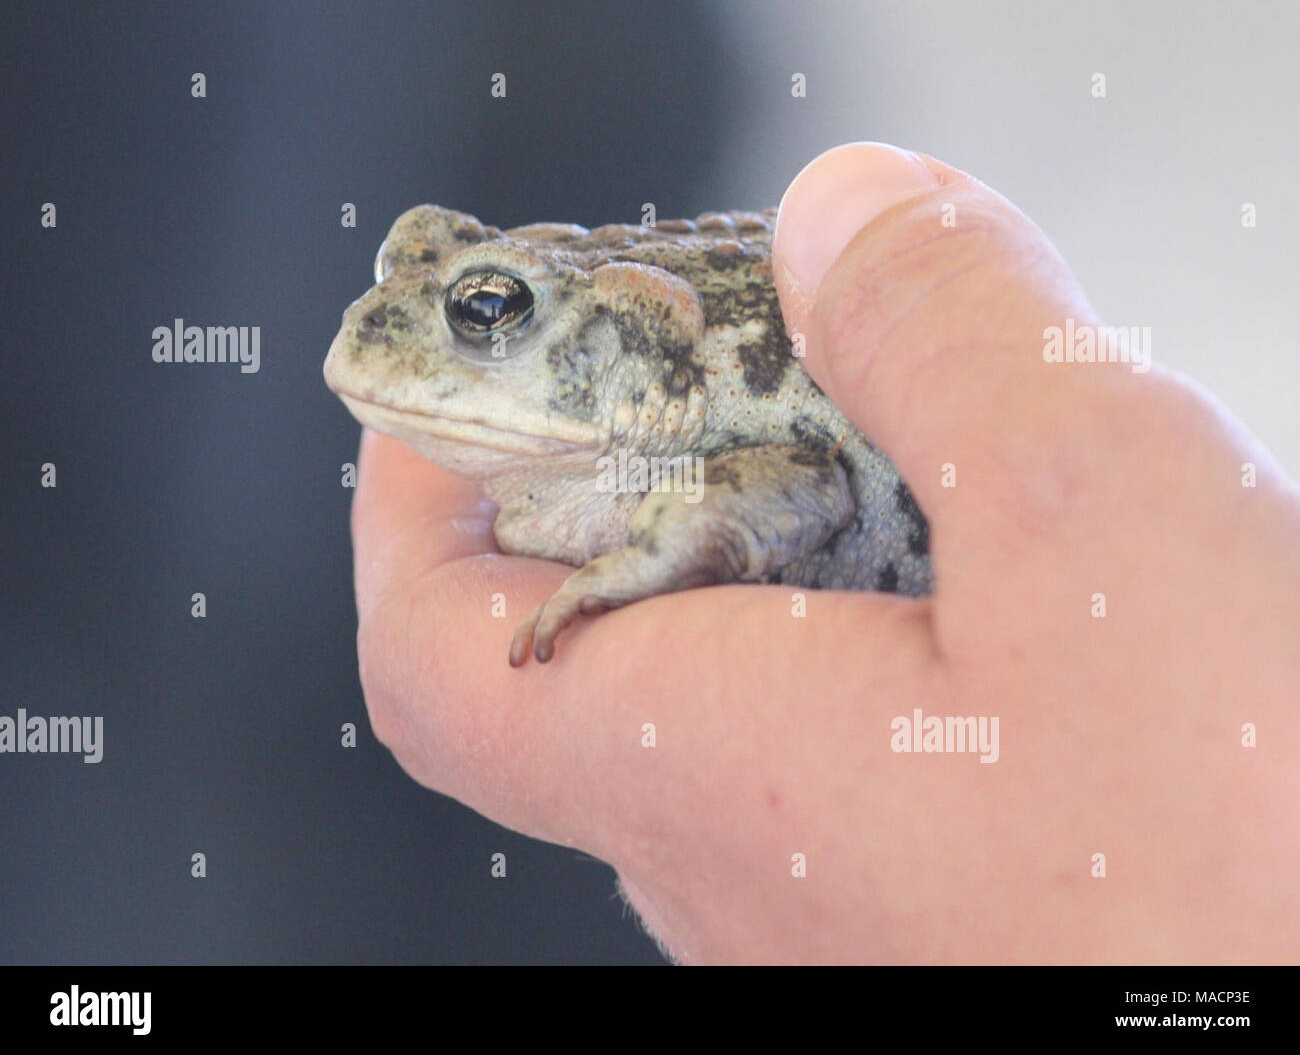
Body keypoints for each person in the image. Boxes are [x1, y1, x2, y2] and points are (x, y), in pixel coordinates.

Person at [347, 143, 1300, 964]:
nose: (376, 327)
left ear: (612, 353)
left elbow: (805, 478)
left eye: (485, 313)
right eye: (404, 268)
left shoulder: (682, 418)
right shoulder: (576, 464)